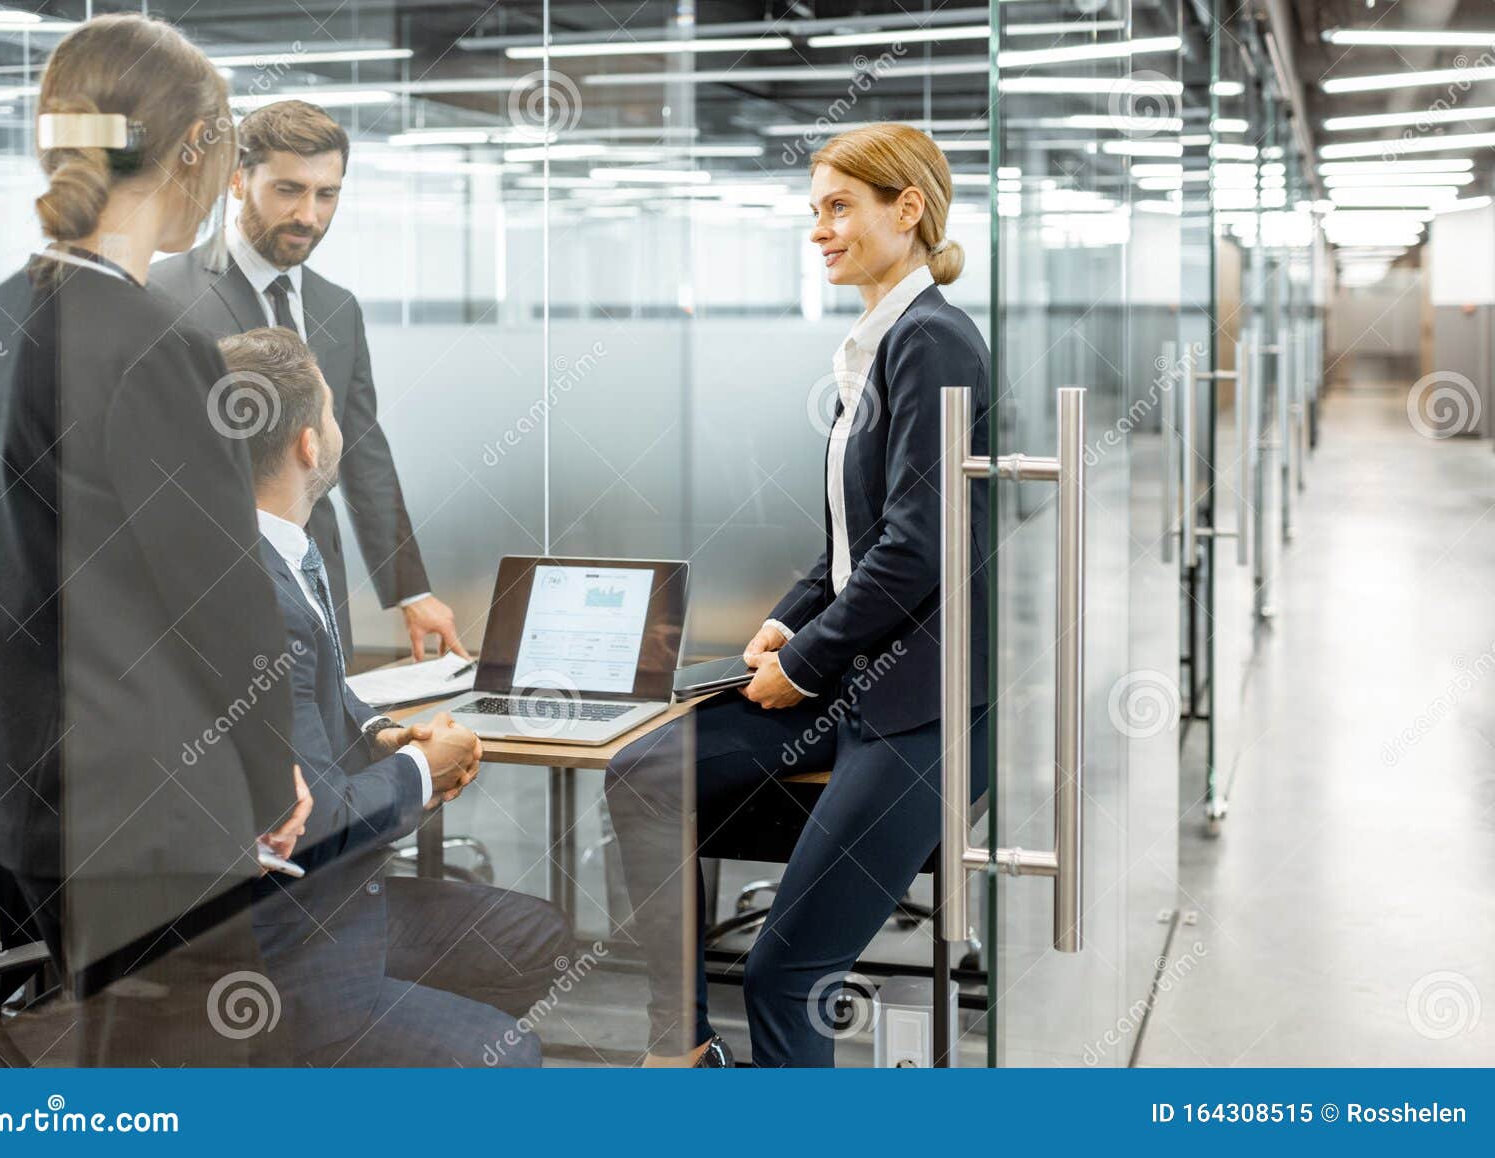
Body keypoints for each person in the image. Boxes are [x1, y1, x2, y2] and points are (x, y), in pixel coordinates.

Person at [0, 13, 308, 1061]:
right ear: (191, 150)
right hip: (147, 822)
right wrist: (269, 765)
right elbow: (220, 595)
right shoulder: (155, 344)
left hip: (21, 803)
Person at [604, 122, 992, 1067]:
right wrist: (789, 614)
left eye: (838, 207)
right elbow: (851, 545)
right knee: (645, 772)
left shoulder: (932, 340)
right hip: (848, 677)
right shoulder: (875, 345)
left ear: (907, 211)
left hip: (914, 710)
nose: (819, 229)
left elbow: (916, 550)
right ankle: (680, 1044)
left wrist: (806, 664)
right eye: (814, 210)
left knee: (786, 977)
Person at [220, 326, 570, 1066]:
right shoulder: (257, 588)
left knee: (535, 937)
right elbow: (308, 829)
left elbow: (302, 712)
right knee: (509, 1059)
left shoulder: (269, 550)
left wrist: (382, 737)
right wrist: (422, 772)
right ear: (311, 444)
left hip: (306, 898)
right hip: (279, 942)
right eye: (333, 411)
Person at [151, 100, 461, 665]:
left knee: (328, 740)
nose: (309, 216)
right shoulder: (164, 296)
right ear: (239, 180)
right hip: (205, 592)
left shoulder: (336, 308)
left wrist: (411, 591)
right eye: (289, 190)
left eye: (327, 194)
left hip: (317, 581)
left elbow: (362, 451)